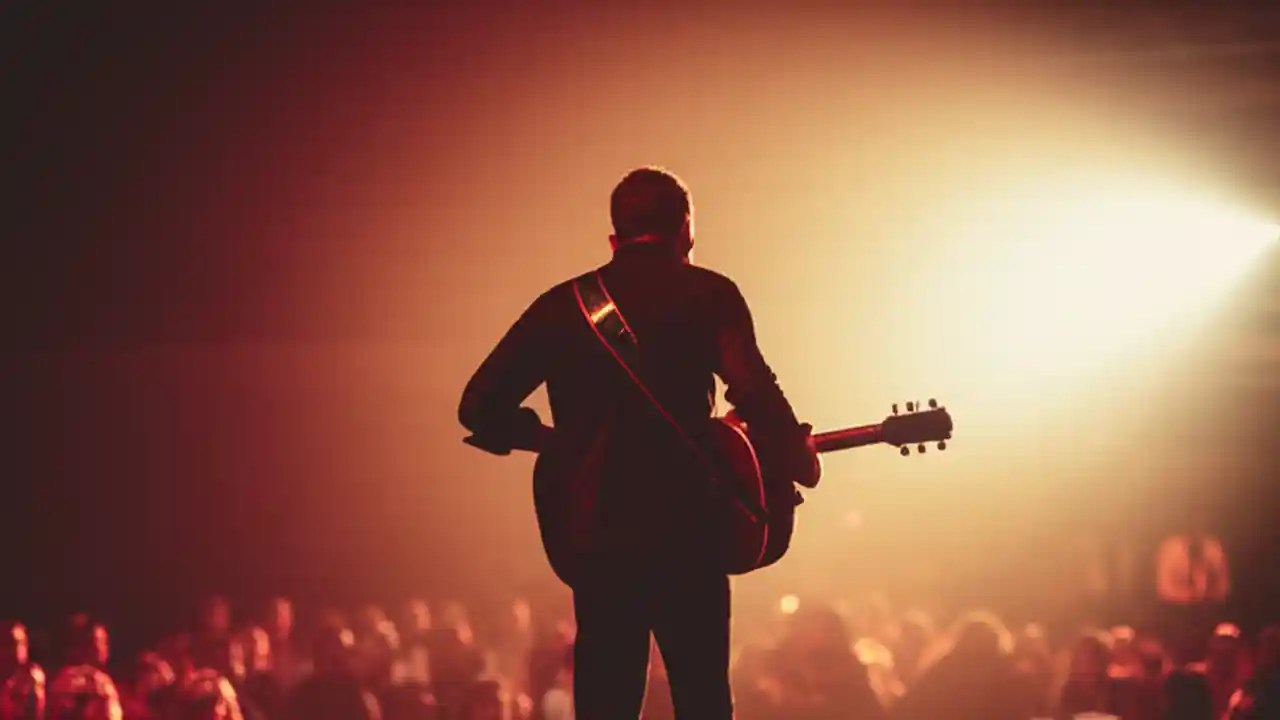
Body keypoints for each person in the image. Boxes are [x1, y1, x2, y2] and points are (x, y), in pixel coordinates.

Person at [459, 167, 819, 719]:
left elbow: (479, 406)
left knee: (605, 703)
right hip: (690, 532)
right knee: (702, 700)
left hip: (599, 537)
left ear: (614, 237)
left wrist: (553, 442)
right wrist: (796, 459)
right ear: (687, 232)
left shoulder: (562, 306)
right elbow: (755, 390)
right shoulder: (711, 294)